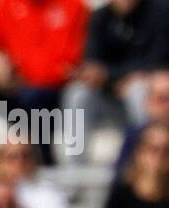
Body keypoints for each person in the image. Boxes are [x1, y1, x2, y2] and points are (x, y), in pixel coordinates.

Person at [0, 0, 88, 151]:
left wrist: (22, 75)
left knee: (34, 98)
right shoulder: (6, 4)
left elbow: (72, 62)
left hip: (53, 95)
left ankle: (42, 158)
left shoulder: (74, 7)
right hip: (14, 89)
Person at [67, 0, 169, 156]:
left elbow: (158, 60)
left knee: (138, 90)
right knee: (78, 94)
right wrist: (114, 79)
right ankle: (74, 165)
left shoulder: (160, 12)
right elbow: (93, 64)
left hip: (146, 94)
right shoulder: (99, 17)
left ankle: (142, 157)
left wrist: (115, 76)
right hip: (110, 94)